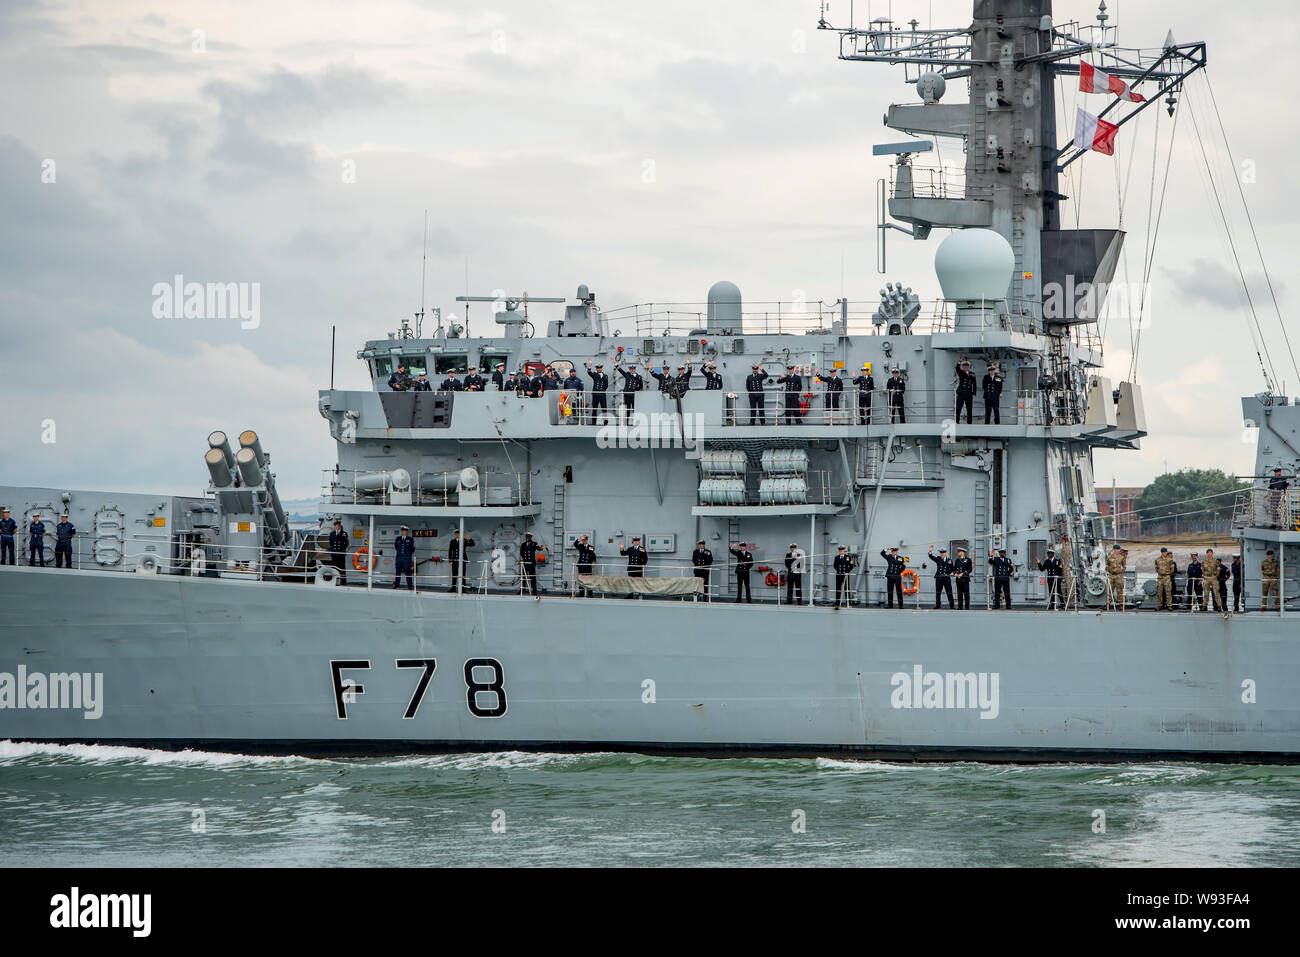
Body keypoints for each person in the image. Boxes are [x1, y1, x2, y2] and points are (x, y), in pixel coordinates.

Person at [1105, 544, 1128, 610]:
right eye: (1116, 549)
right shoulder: (1109, 557)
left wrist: (1121, 571)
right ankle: (1108, 604)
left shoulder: (1122, 557)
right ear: (1114, 550)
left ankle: (1121, 604)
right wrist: (1108, 569)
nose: (1117, 551)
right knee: (1109, 590)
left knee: (1120, 590)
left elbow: (1124, 566)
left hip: (1118, 576)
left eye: (1118, 549)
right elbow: (1107, 564)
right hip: (1111, 575)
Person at [954, 357, 977, 425]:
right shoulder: (960, 372)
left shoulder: (972, 374)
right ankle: (957, 421)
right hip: (961, 393)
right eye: (964, 366)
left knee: (969, 409)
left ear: (969, 367)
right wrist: (959, 361)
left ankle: (969, 422)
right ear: (963, 367)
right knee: (958, 408)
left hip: (969, 394)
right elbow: (957, 368)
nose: (965, 367)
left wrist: (974, 393)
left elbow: (974, 384)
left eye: (967, 366)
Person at [393, 525, 415, 590]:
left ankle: (410, 586)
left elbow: (412, 548)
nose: (403, 532)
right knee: (398, 572)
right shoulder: (398, 538)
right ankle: (397, 585)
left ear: (406, 532)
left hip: (406, 559)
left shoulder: (410, 539)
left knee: (408, 572)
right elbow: (396, 547)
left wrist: (408, 555)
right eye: (402, 531)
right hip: (399, 558)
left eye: (404, 531)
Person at [326, 519, 349, 585]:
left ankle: (343, 581)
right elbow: (331, 543)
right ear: (335, 526)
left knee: (342, 568)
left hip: (341, 553)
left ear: (340, 526)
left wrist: (342, 550)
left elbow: (346, 543)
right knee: (334, 567)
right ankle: (334, 581)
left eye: (338, 525)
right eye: (336, 525)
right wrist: (333, 550)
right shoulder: (332, 534)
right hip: (334, 554)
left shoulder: (344, 533)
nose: (337, 526)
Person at [519, 532, 541, 598]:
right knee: (523, 578)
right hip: (525, 563)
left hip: (531, 563)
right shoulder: (523, 544)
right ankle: (522, 590)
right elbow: (521, 552)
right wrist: (525, 560)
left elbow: (539, 549)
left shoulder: (534, 543)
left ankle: (534, 591)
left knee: (532, 578)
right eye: (526, 537)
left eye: (528, 537)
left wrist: (542, 547)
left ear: (531, 537)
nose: (527, 538)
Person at [1200, 548, 1222, 613]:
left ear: (1212, 553)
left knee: (1216, 593)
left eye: (1210, 552)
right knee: (1206, 593)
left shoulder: (1216, 561)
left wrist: (1215, 576)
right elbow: (1202, 569)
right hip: (1206, 578)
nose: (1209, 554)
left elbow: (1218, 570)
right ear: (1207, 554)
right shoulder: (1204, 561)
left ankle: (1219, 606)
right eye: (1208, 553)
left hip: (1213, 577)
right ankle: (1204, 606)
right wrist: (1204, 575)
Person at [1154, 547, 1175, 611]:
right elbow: (1156, 568)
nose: (1165, 553)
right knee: (1159, 592)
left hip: (1167, 577)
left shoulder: (1170, 560)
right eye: (1163, 552)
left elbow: (1172, 569)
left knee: (1168, 591)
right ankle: (1159, 605)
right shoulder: (1157, 560)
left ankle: (1169, 605)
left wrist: (1168, 574)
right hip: (1160, 577)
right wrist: (1160, 573)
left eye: (1165, 552)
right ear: (1162, 552)